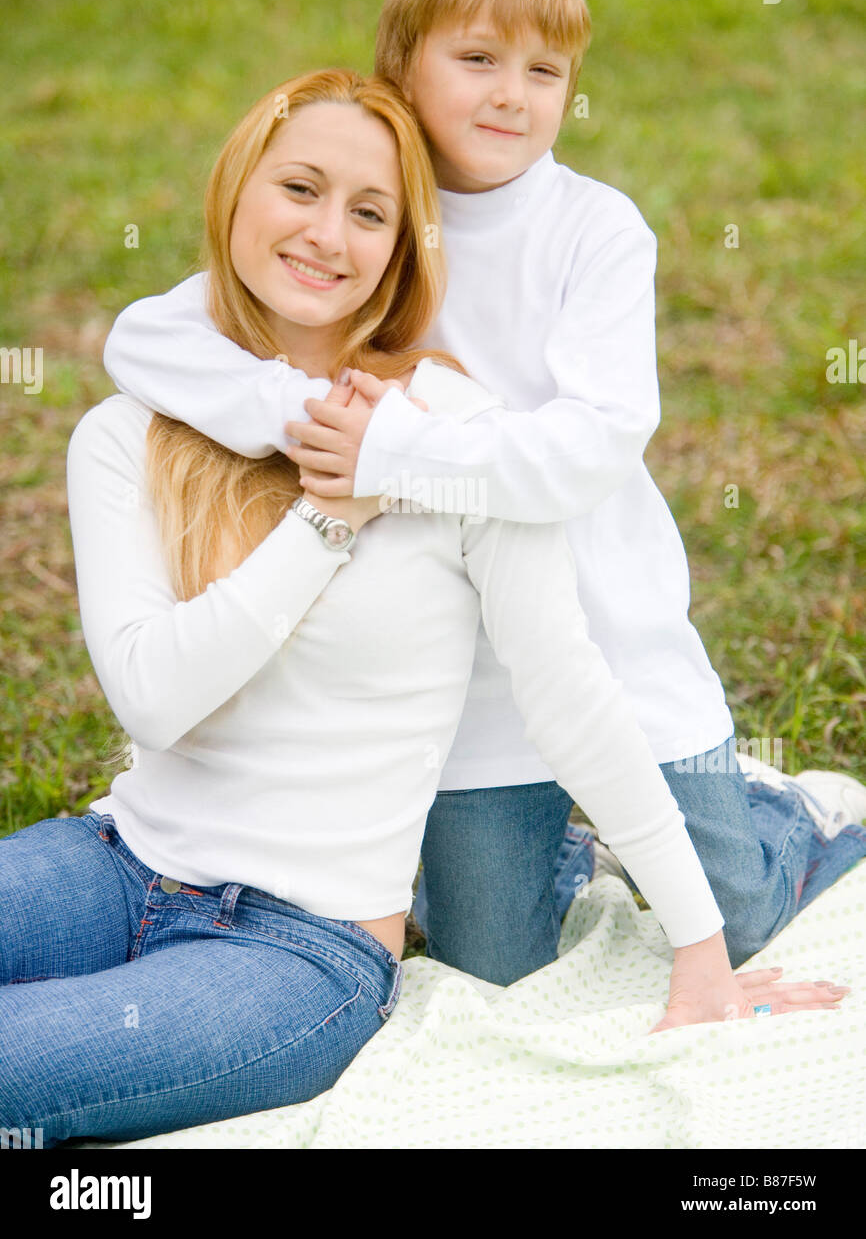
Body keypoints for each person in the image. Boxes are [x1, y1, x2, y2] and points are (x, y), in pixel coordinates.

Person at [0, 70, 846, 1149]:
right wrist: (329, 517)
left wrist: (699, 949)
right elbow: (157, 699)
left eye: (369, 212)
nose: (326, 234)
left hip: (298, 950)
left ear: (402, 251)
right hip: (115, 860)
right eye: (298, 188)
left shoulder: (450, 438)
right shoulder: (129, 430)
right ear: (234, 194)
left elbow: (567, 693)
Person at [101, 0, 866, 984]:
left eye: (543, 71)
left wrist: (394, 448)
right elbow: (145, 338)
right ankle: (561, 846)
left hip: (608, 641)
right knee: (488, 965)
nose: (512, 93)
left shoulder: (596, 230)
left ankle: (781, 816)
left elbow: (589, 446)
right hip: (465, 677)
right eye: (477, 59)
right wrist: (309, 415)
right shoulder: (367, 221)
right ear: (400, 65)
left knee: (739, 919)